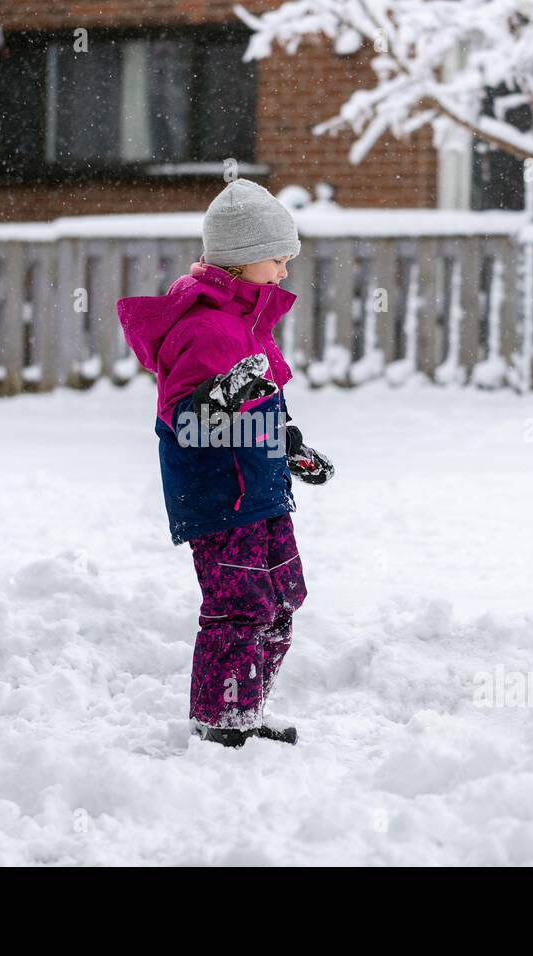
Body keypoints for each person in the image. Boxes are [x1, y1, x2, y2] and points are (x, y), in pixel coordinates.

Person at [116, 178, 335, 748]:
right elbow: (183, 421)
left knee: (284, 596)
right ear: (239, 261)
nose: (284, 272)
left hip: (261, 486)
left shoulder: (247, 322)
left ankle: (247, 709)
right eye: (277, 260)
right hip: (221, 498)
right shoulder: (202, 325)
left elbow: (264, 399)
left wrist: (290, 444)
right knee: (240, 606)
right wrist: (225, 397)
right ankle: (219, 719)